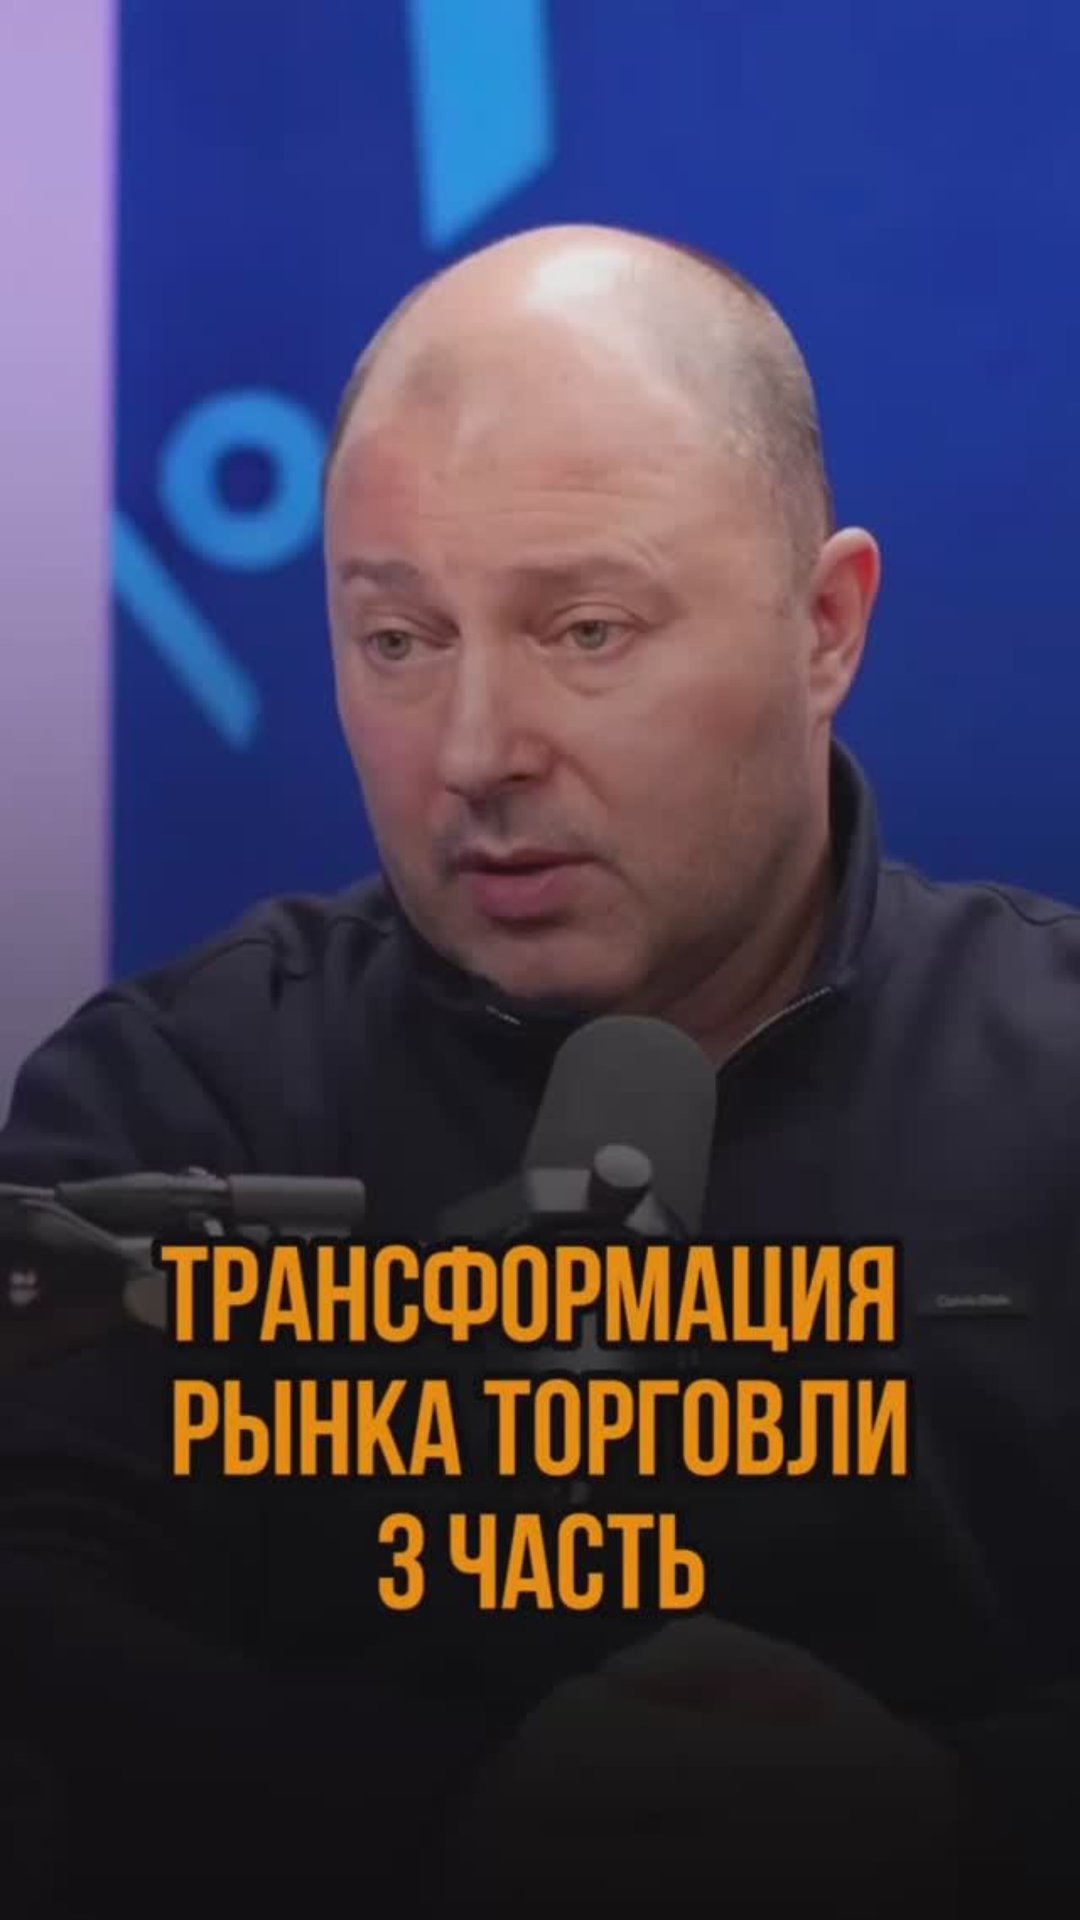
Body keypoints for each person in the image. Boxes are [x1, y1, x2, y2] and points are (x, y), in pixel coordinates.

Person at [1, 222, 1077, 1917]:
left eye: (585, 630)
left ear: (826, 627)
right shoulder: (173, 1106)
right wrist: (454, 1821)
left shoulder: (1057, 1084)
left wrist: (965, 1821)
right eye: (400, 640)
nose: (477, 751)